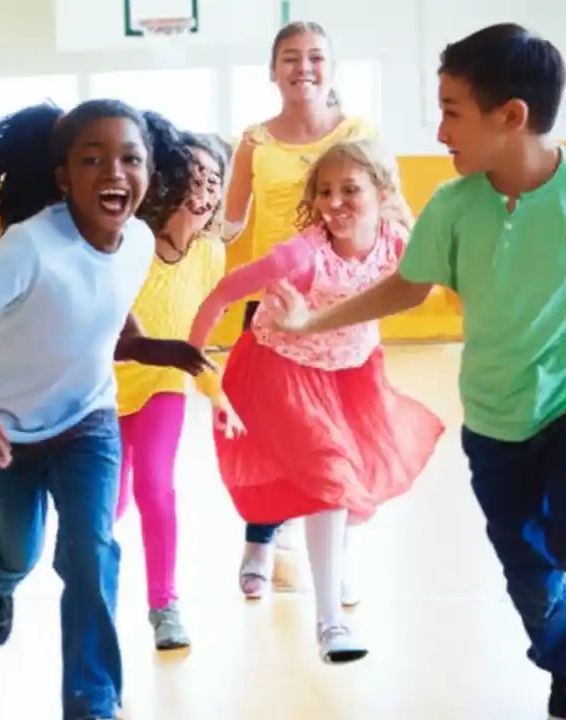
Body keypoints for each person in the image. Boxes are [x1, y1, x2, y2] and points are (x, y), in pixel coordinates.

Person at [266, 23, 566, 713]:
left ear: (511, 116)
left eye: (452, 112)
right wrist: (310, 321)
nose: (439, 132)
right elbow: (408, 284)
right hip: (493, 423)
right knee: (526, 570)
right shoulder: (455, 207)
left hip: (562, 410)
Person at [0, 99, 214, 720]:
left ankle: (92, 701)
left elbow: (106, 310)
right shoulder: (30, 246)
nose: (113, 171)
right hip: (3, 431)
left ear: (148, 172)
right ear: (64, 177)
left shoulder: (137, 240)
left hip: (88, 423)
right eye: (93, 160)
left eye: (129, 158)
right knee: (20, 550)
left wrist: (149, 346)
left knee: (91, 551)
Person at [190, 137, 443, 662]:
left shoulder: (401, 241)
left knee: (349, 487)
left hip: (352, 370)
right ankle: (330, 624)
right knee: (327, 480)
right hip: (283, 369)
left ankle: (304, 553)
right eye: (324, 191)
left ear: (383, 192)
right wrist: (197, 364)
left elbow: (432, 284)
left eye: (350, 189)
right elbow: (222, 294)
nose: (333, 202)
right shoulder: (301, 256)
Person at [222, 20, 378, 585]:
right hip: (272, 305)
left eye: (315, 57)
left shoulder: (358, 131)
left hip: (341, 304)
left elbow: (388, 206)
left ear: (331, 70)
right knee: (264, 430)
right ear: (272, 71)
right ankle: (259, 542)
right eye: (290, 58)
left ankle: (334, 566)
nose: (303, 67)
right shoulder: (254, 141)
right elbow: (231, 222)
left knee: (337, 436)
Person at [111, 128, 240, 650]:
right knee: (108, 507)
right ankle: (91, 585)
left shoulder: (210, 257)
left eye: (213, 178)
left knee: (155, 489)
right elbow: (115, 329)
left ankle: (164, 604)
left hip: (163, 386)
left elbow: (194, 345)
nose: (203, 188)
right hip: (102, 390)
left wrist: (217, 396)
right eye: (192, 175)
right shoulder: (131, 244)